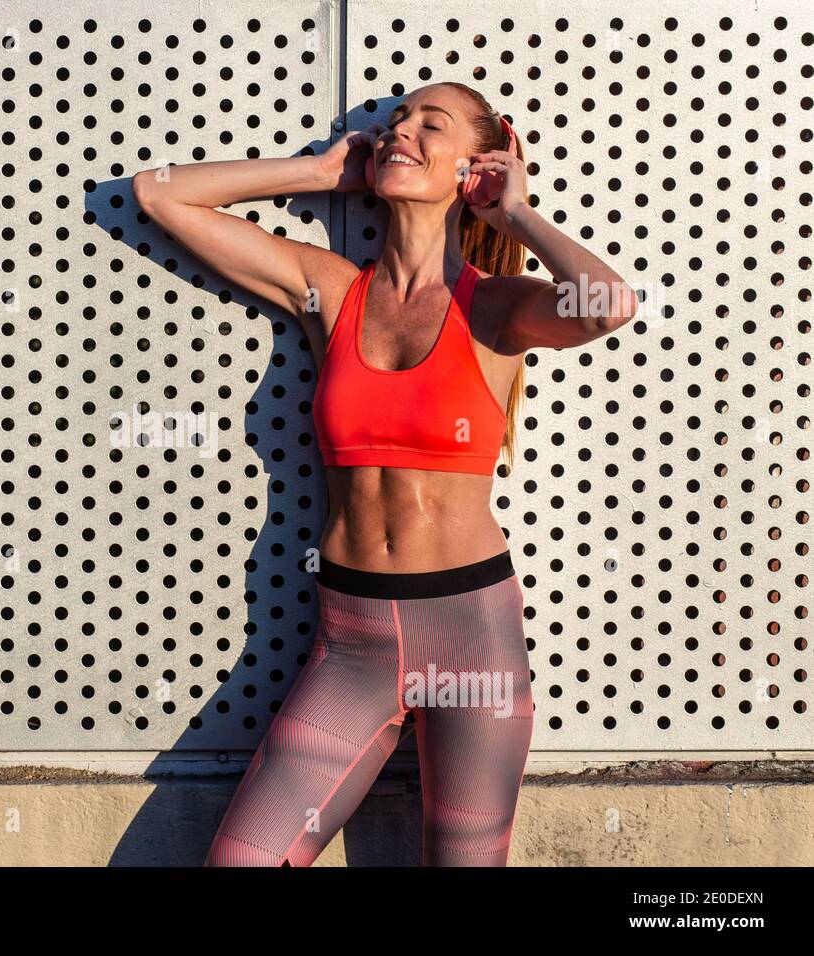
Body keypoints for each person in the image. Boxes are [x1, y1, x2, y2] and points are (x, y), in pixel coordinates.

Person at [133, 82, 639, 866]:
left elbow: (608, 305)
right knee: (243, 860)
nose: (401, 132)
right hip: (352, 642)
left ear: (474, 167)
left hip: (473, 636)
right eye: (395, 122)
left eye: (429, 126)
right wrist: (316, 173)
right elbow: (159, 196)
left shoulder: (496, 310)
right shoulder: (333, 292)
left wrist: (514, 217)